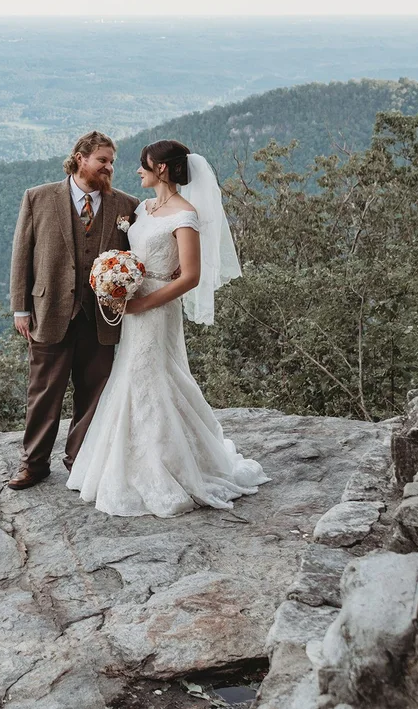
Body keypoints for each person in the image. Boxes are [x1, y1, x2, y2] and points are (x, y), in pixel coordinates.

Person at [65, 140, 268, 517]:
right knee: (130, 374)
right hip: (133, 305)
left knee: (151, 376)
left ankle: (165, 466)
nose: (137, 171)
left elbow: (190, 276)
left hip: (155, 309)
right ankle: (125, 460)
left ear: (161, 169)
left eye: (144, 165)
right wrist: (115, 279)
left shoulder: (185, 215)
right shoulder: (143, 208)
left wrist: (142, 302)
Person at [6, 131, 139, 489]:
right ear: (81, 158)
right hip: (49, 311)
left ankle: (80, 461)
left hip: (102, 317)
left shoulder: (126, 206)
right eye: (103, 160)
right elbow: (22, 255)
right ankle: (33, 464)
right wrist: (20, 308)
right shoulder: (38, 198)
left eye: (112, 161)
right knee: (43, 392)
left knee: (94, 393)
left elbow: (137, 259)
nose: (109, 167)